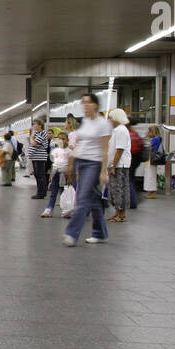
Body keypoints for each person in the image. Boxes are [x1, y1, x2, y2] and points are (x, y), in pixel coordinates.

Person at [62, 94, 109, 246]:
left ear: (95, 104)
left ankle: (71, 233)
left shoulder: (103, 124)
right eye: (83, 103)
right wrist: (71, 162)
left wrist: (103, 171)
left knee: (82, 199)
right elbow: (81, 143)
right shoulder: (86, 122)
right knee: (93, 199)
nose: (85, 105)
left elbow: (105, 149)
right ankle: (100, 233)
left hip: (93, 164)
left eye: (88, 103)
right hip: (80, 162)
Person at [106, 108, 132, 223]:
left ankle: (122, 214)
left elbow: (119, 150)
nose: (110, 121)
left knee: (119, 188)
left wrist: (113, 165)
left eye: (111, 118)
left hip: (120, 165)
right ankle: (117, 212)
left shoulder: (121, 130)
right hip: (117, 164)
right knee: (115, 188)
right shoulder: (118, 130)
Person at [41, 133, 72, 218]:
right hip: (56, 174)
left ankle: (66, 210)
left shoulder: (69, 151)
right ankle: (49, 209)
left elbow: (71, 165)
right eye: (59, 139)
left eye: (63, 139)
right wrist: (51, 175)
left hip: (65, 175)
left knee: (65, 194)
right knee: (53, 193)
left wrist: (69, 177)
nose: (61, 141)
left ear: (67, 140)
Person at [27, 119, 51, 199]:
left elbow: (34, 143)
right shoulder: (37, 133)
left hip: (40, 158)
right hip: (35, 157)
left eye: (35, 124)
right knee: (37, 175)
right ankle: (40, 192)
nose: (33, 126)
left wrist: (31, 138)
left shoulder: (42, 133)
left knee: (40, 175)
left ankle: (41, 193)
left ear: (40, 125)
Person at [143, 126, 162, 197]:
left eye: (149, 131)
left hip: (151, 157)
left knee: (150, 175)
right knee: (150, 174)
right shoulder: (157, 138)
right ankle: (151, 191)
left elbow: (148, 145)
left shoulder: (155, 138)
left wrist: (146, 137)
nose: (148, 133)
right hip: (151, 158)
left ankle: (153, 192)